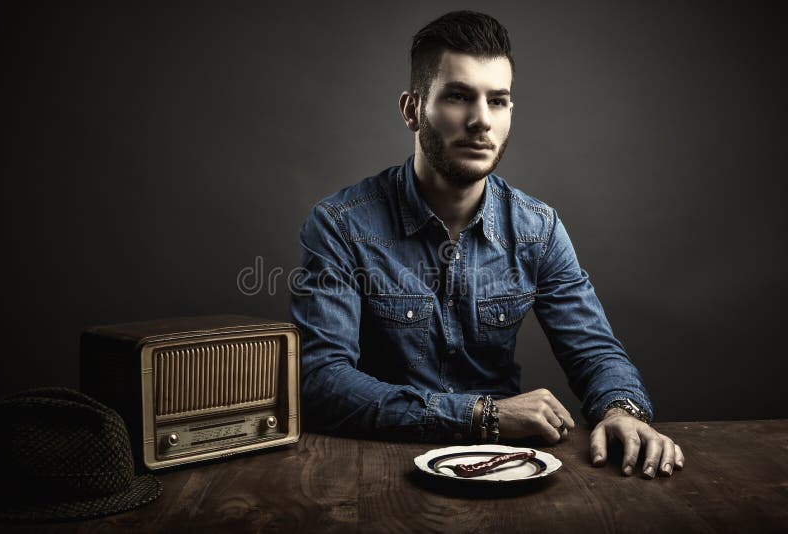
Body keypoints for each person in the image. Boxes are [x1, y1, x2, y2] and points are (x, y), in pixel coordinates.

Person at [290, 10, 684, 478]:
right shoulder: (341, 225)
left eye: (497, 100)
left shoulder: (537, 229)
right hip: (373, 468)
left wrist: (621, 411)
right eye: (458, 96)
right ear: (412, 109)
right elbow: (320, 382)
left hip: (504, 469)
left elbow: (594, 352)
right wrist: (483, 415)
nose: (481, 120)